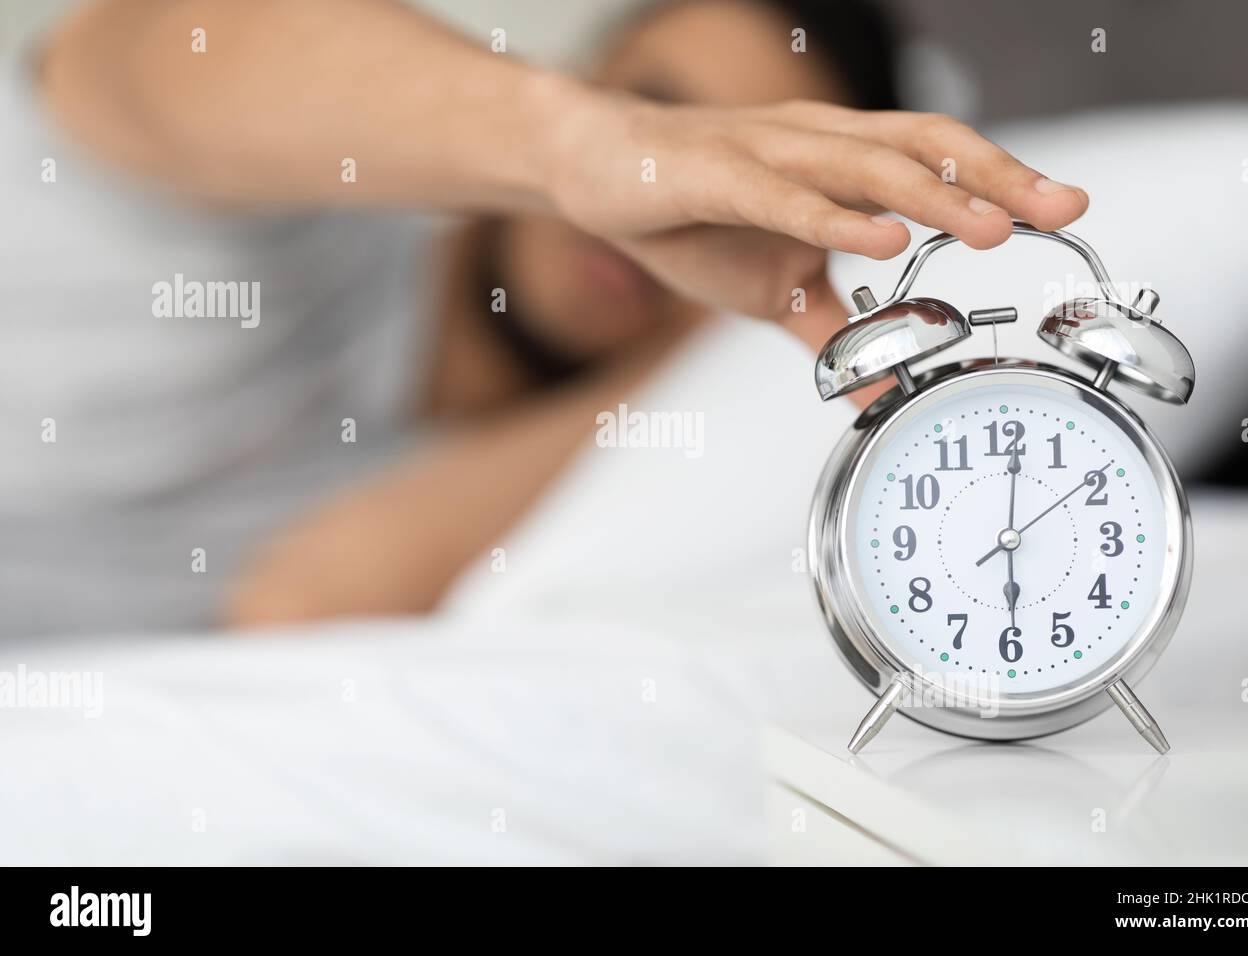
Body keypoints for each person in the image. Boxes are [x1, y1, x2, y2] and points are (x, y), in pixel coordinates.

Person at [2, 0, 1088, 635]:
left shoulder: (563, 507)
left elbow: (295, 607)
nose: (672, 183)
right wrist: (577, 149)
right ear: (576, 79)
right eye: (656, 109)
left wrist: (727, 332)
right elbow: (140, 56)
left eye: (729, 182)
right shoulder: (279, 202)